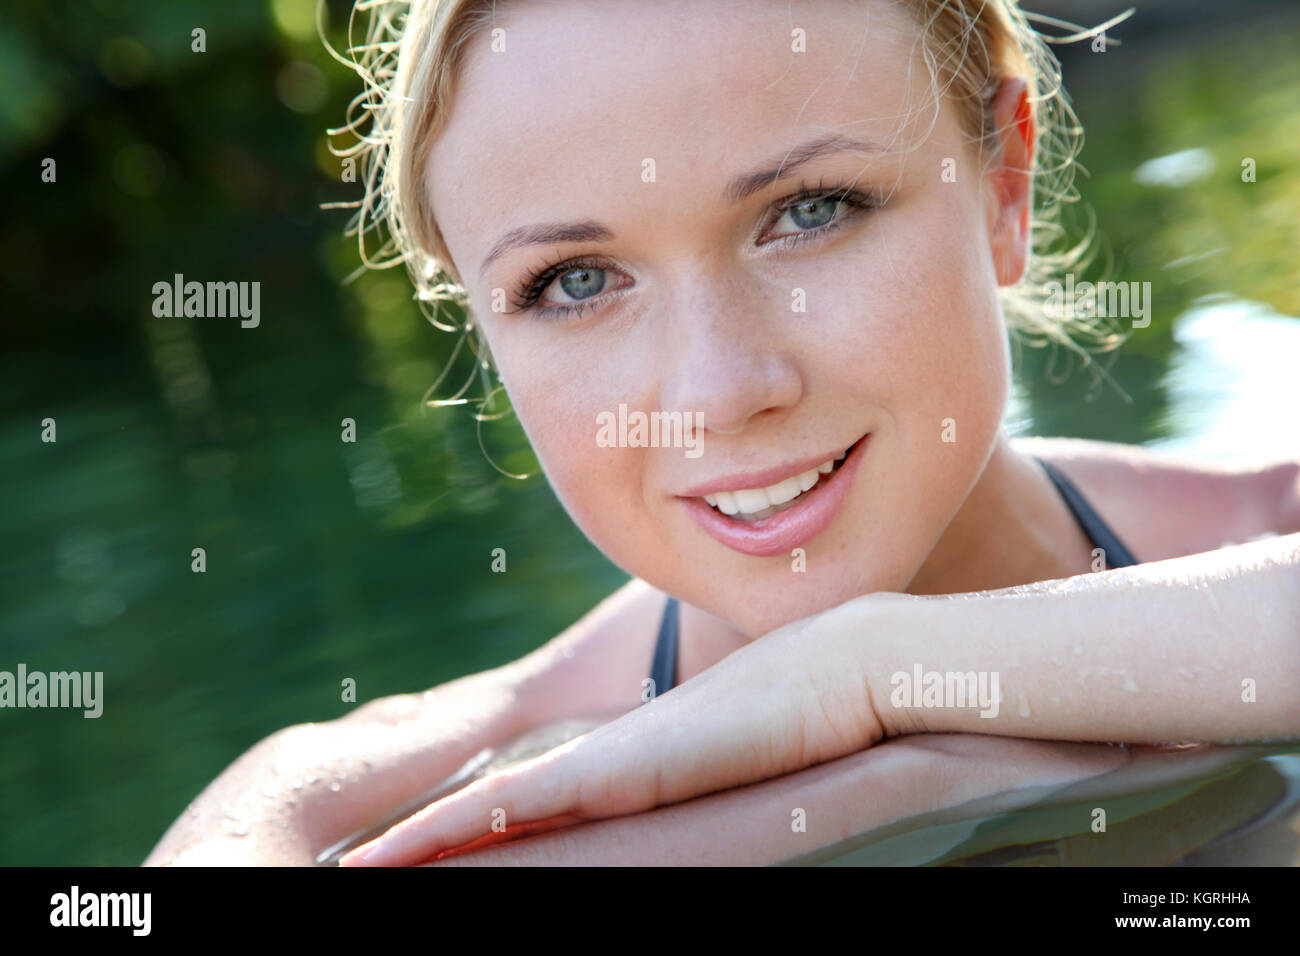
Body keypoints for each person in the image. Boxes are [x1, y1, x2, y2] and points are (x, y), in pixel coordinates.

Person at [146, 0, 1300, 867]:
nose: (715, 389)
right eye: (575, 279)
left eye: (809, 211)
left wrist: (866, 675)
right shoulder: (422, 779)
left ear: (1002, 178)